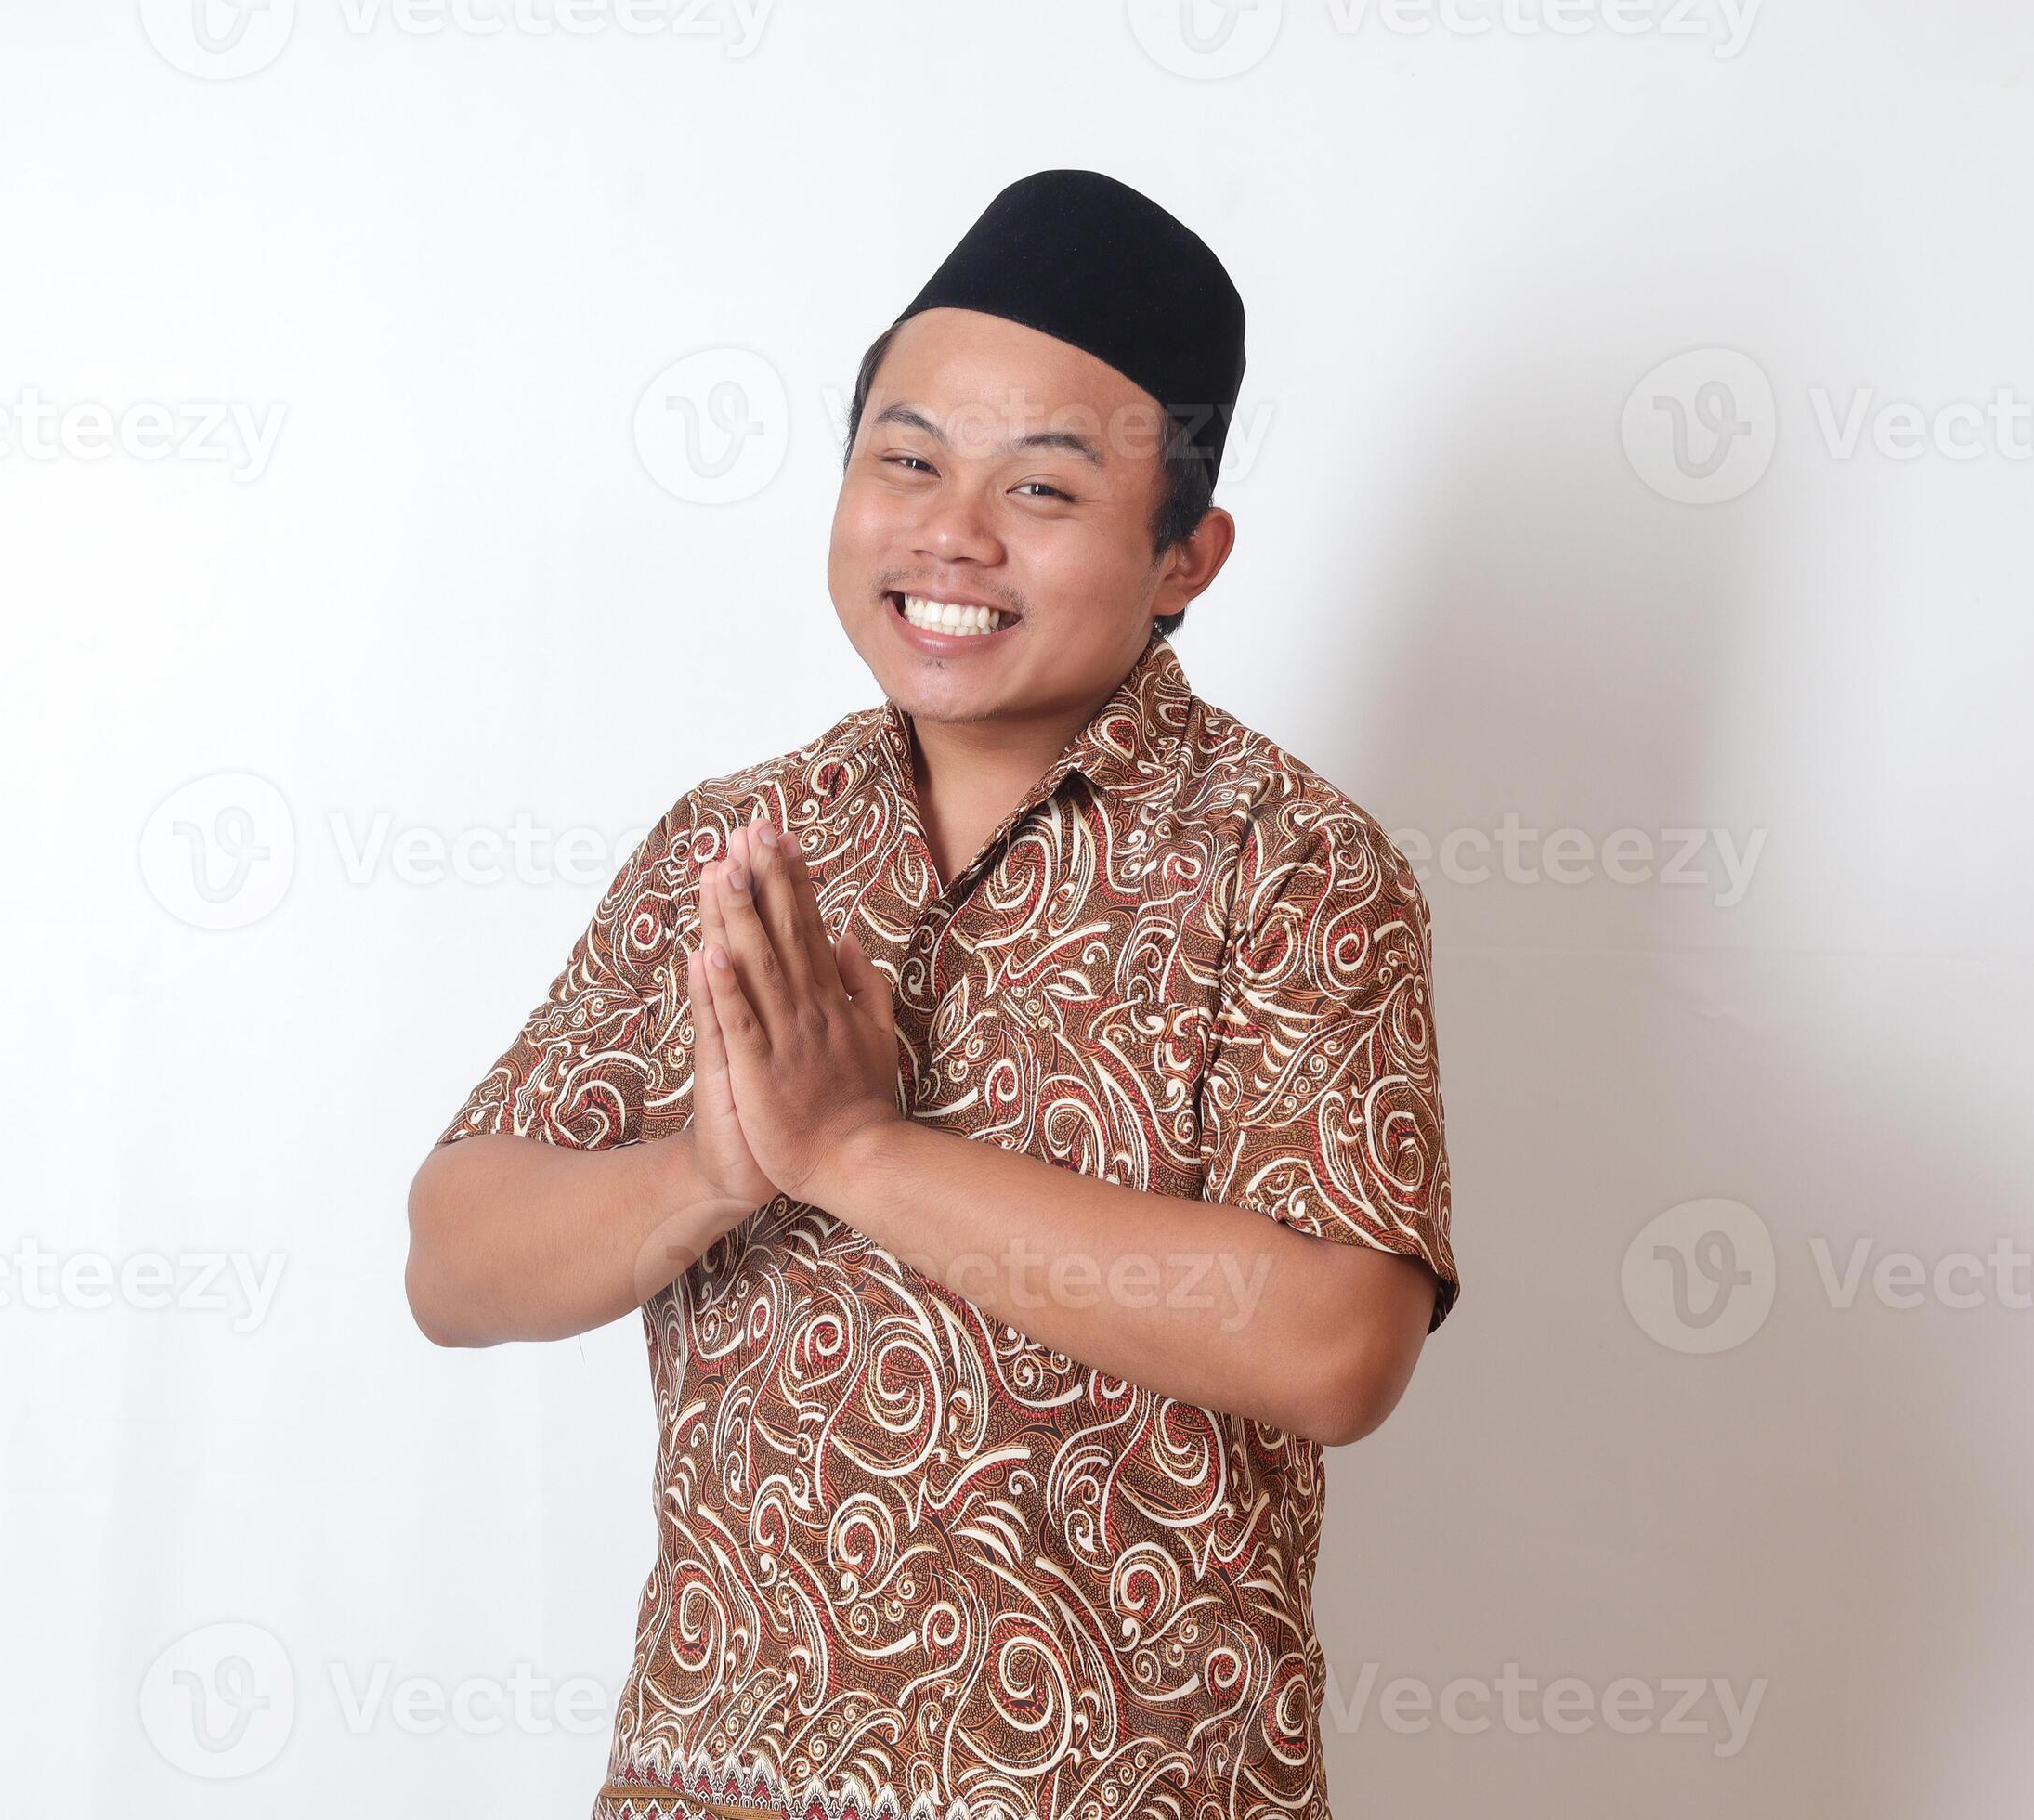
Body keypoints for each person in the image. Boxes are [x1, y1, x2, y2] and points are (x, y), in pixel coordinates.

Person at [407, 167, 1461, 1820]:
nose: (950, 533)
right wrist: (708, 1174)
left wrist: (853, 1154)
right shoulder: (741, 847)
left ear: (1187, 553)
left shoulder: (1293, 869)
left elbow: (1340, 1341)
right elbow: (452, 1256)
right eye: (905, 460)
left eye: (1042, 490)